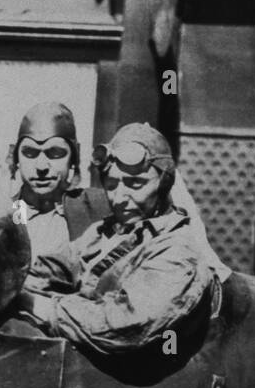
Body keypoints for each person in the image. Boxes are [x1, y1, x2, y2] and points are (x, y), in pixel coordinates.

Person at [18, 122, 230, 354]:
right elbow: (52, 269)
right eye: (111, 185)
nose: (119, 198)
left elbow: (125, 324)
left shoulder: (178, 250)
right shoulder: (104, 232)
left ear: (163, 184)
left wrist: (42, 307)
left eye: (135, 184)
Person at [9, 102, 110, 296]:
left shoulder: (96, 207)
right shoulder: (5, 214)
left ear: (73, 158)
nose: (41, 166)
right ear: (16, 158)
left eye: (55, 153)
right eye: (30, 153)